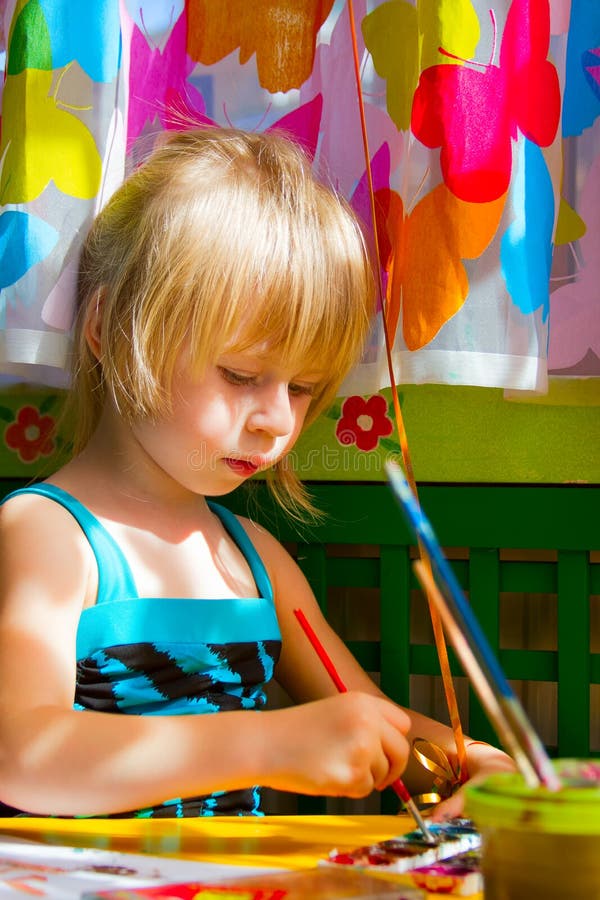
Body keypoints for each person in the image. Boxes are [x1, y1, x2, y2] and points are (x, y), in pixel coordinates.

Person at [0, 127, 513, 819]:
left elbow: (365, 716)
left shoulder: (255, 558)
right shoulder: (47, 534)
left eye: (302, 388)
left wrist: (470, 762)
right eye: (242, 374)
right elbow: (21, 756)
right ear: (109, 328)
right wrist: (270, 742)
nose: (277, 420)